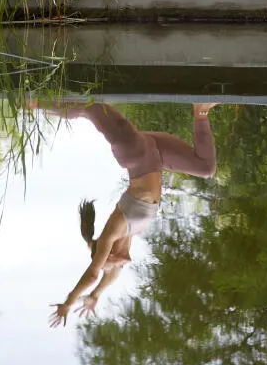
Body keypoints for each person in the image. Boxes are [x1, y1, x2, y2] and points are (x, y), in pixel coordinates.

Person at [41, 100, 218, 327]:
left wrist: (70, 300)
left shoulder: (111, 234)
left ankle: (35, 102)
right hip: (156, 155)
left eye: (108, 263)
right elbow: (107, 278)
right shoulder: (130, 235)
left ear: (107, 255)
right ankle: (200, 108)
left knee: (91, 108)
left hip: (133, 152)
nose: (118, 267)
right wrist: (96, 295)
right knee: (205, 167)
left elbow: (95, 274)